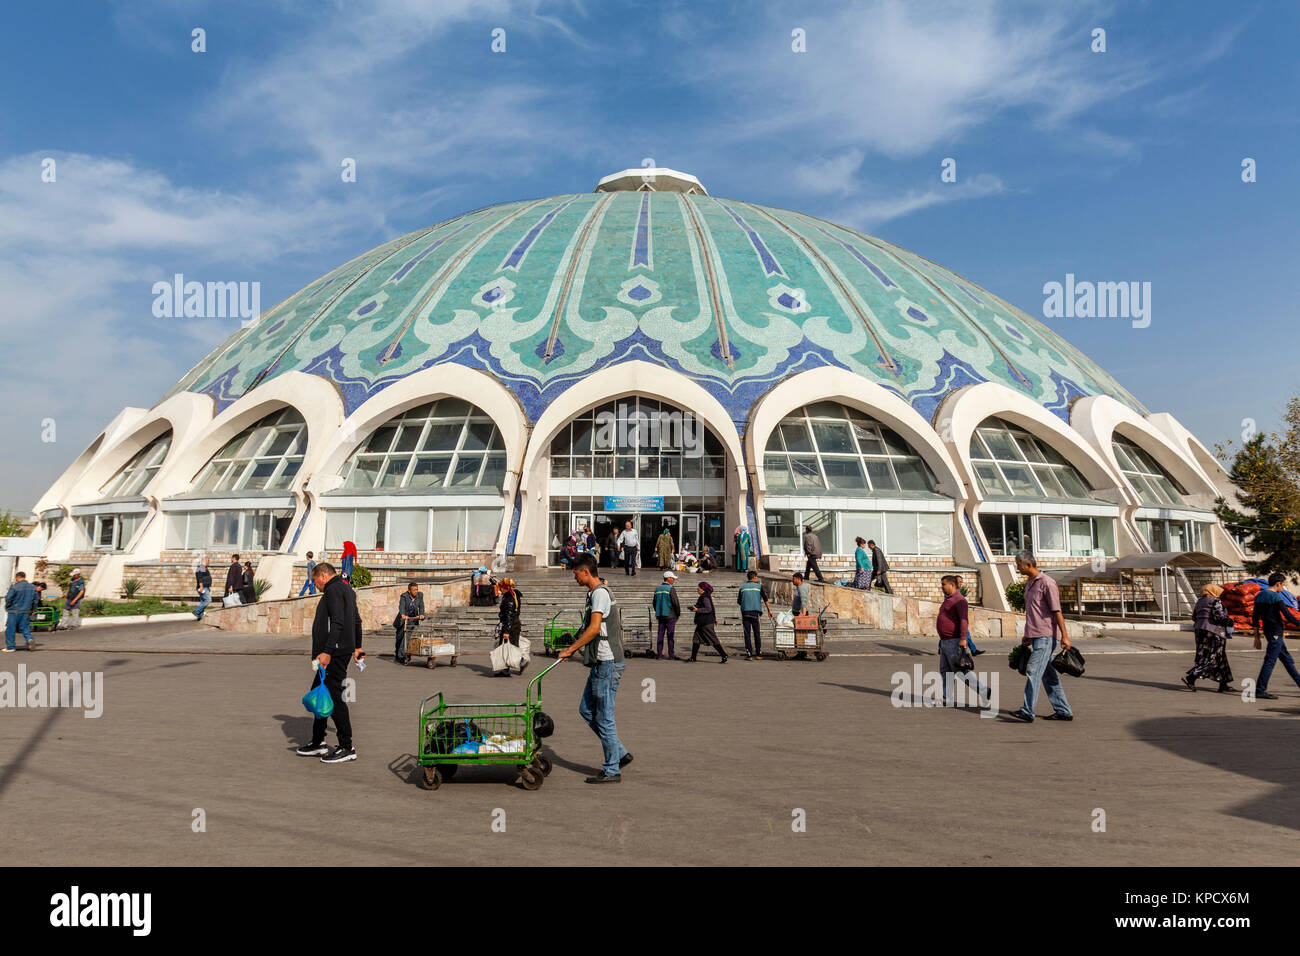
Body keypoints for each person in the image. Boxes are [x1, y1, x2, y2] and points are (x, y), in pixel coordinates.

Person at [557, 553, 631, 784]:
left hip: (608, 663)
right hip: (600, 662)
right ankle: (618, 753)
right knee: (586, 710)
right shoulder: (596, 592)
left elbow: (594, 629)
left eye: (576, 572)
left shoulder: (599, 594)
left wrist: (570, 650)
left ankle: (612, 769)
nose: (574, 577)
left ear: (586, 572)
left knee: (604, 717)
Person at [295, 562, 364, 763]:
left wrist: (327, 651)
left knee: (334, 697)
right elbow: (356, 620)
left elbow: (338, 622)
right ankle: (318, 742)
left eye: (316, 581)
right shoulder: (347, 589)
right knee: (319, 692)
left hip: (334, 652)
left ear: (323, 575)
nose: (316, 585)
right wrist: (357, 646)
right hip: (341, 649)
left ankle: (346, 746)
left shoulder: (333, 590)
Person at [1007, 551, 1073, 722]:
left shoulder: (1047, 583)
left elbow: (1057, 611)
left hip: (1046, 636)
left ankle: (1027, 711)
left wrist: (1064, 636)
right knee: (1048, 675)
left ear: (1028, 564)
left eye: (1018, 564)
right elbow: (1033, 612)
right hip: (1036, 636)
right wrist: (1027, 634)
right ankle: (1064, 710)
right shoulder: (1029, 583)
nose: (1017, 567)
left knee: (1033, 671)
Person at [936, 575, 990, 706]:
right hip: (944, 642)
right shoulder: (948, 599)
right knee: (945, 671)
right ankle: (947, 698)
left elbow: (964, 620)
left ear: (952, 585)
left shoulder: (959, 600)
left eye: (944, 584)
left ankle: (983, 690)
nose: (941, 587)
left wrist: (963, 638)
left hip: (954, 641)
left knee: (960, 672)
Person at [1250, 572, 1300, 700]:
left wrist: (1256, 636)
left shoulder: (1259, 596)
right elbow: (1288, 615)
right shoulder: (1275, 597)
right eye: (1282, 585)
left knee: (1287, 660)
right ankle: (1260, 689)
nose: (1283, 588)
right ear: (1278, 584)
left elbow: (1255, 617)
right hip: (1276, 632)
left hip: (1268, 631)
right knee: (1270, 661)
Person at [1183, 583, 1234, 692]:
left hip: (1200, 631)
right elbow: (1220, 616)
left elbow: (1194, 617)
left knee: (1218, 657)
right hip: (1214, 632)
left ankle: (1223, 683)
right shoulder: (1215, 601)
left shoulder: (1200, 602)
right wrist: (1230, 622)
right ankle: (1192, 676)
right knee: (1214, 658)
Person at [686, 580, 728, 663]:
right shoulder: (705, 596)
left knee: (713, 639)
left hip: (706, 623)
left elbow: (708, 609)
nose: (697, 589)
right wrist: (695, 607)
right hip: (702, 622)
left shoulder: (705, 597)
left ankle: (724, 655)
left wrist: (697, 609)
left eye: (699, 587)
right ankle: (693, 657)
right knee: (696, 639)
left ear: (703, 589)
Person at [738, 569, 773, 660]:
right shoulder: (759, 587)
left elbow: (739, 601)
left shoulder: (742, 587)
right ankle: (759, 654)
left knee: (747, 634)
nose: (757, 578)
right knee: (757, 633)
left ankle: (749, 654)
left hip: (745, 612)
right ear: (754, 577)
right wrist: (769, 611)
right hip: (755, 612)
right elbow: (765, 599)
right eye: (756, 577)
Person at [4, 572, 38, 652]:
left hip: (14, 611)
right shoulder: (32, 587)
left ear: (17, 578)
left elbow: (8, 598)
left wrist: (8, 606)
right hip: (26, 611)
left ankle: (10, 647)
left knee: (10, 629)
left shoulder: (15, 587)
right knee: (25, 628)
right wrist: (33, 610)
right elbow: (36, 600)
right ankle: (29, 639)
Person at [653, 571, 681, 660]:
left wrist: (658, 611)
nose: (673, 580)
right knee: (670, 636)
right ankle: (671, 655)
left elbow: (654, 603)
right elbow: (675, 603)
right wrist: (678, 614)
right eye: (672, 578)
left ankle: (659, 654)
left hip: (660, 615)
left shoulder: (657, 588)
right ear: (668, 578)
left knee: (660, 635)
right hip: (670, 615)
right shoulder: (671, 589)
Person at [394, 581, 424, 664]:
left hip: (412, 620)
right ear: (409, 591)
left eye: (417, 589)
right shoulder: (404, 596)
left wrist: (422, 614)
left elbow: (421, 606)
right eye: (414, 590)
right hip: (402, 620)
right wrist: (403, 614)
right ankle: (398, 654)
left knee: (406, 637)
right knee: (399, 638)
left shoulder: (420, 595)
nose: (416, 591)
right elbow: (401, 606)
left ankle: (402, 656)